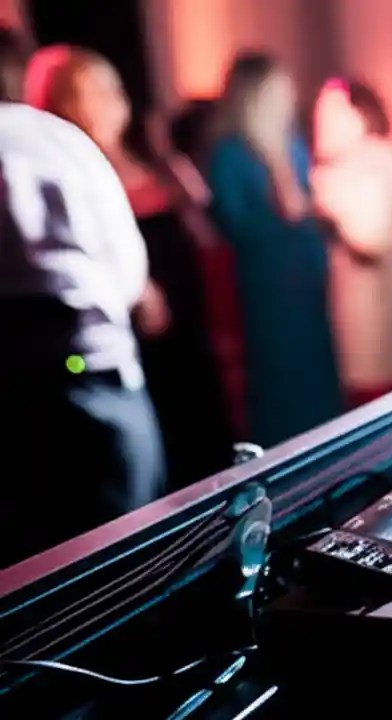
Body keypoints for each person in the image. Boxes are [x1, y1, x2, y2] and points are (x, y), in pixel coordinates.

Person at [25, 45, 236, 487]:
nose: (112, 103)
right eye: (94, 92)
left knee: (207, 437)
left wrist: (163, 151)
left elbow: (200, 217)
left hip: (188, 331)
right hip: (137, 344)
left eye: (113, 89)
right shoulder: (73, 174)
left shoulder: (147, 159)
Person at [0, 26, 165, 567]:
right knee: (125, 562)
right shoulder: (60, 140)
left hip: (23, 391)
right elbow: (126, 267)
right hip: (102, 376)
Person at [206, 51, 343, 447]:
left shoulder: (292, 145)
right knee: (280, 382)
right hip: (269, 286)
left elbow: (303, 207)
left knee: (316, 377)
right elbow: (233, 224)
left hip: (306, 281)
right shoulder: (231, 154)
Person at [312, 77, 392, 407]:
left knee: (375, 390)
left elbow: (372, 238)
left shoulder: (374, 162)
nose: (323, 124)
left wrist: (332, 212)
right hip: (354, 292)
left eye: (333, 113)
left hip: (370, 296)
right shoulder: (341, 165)